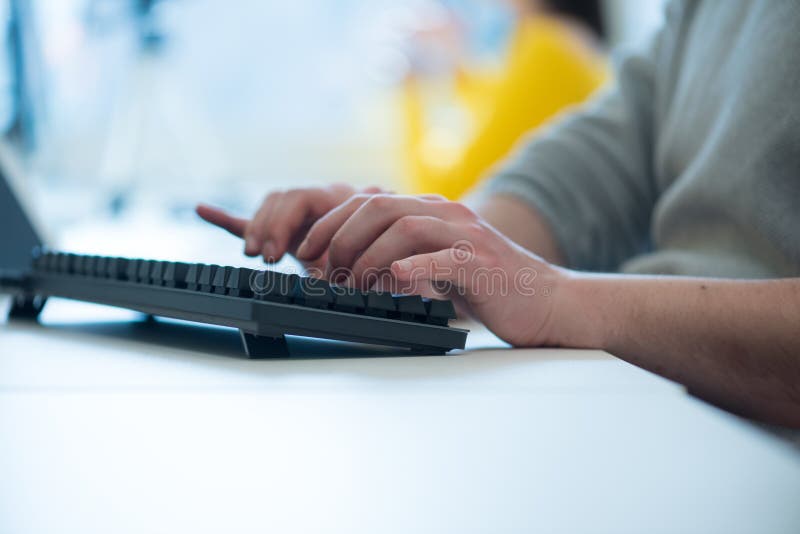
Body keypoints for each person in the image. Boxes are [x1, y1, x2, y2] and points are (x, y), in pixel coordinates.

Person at [197, 0, 800, 428]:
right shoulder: (698, 14)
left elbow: (454, 180)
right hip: (655, 392)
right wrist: (417, 247)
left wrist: (555, 298)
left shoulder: (544, 50)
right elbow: (577, 180)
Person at [401, 0, 607, 199]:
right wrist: (458, 70)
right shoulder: (567, 41)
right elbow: (503, 97)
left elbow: (452, 196)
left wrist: (410, 93)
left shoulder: (546, 48)